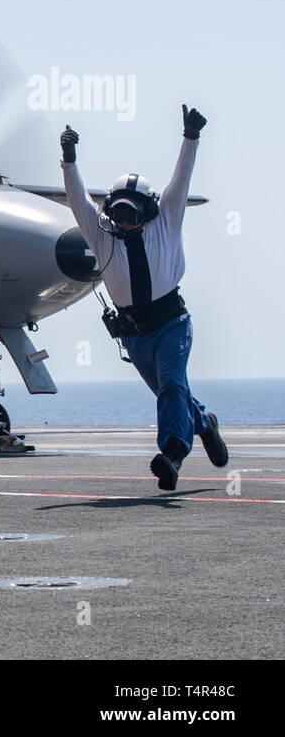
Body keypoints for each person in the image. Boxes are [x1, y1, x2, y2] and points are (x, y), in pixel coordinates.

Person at [59, 105, 226, 490]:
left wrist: (190, 137)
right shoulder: (101, 234)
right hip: (134, 336)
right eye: (118, 214)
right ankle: (204, 423)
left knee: (170, 387)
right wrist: (69, 160)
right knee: (174, 392)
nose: (124, 221)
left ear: (149, 211)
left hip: (172, 326)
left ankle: (172, 456)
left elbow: (180, 179)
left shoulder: (166, 219)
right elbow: (77, 199)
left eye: (132, 215)